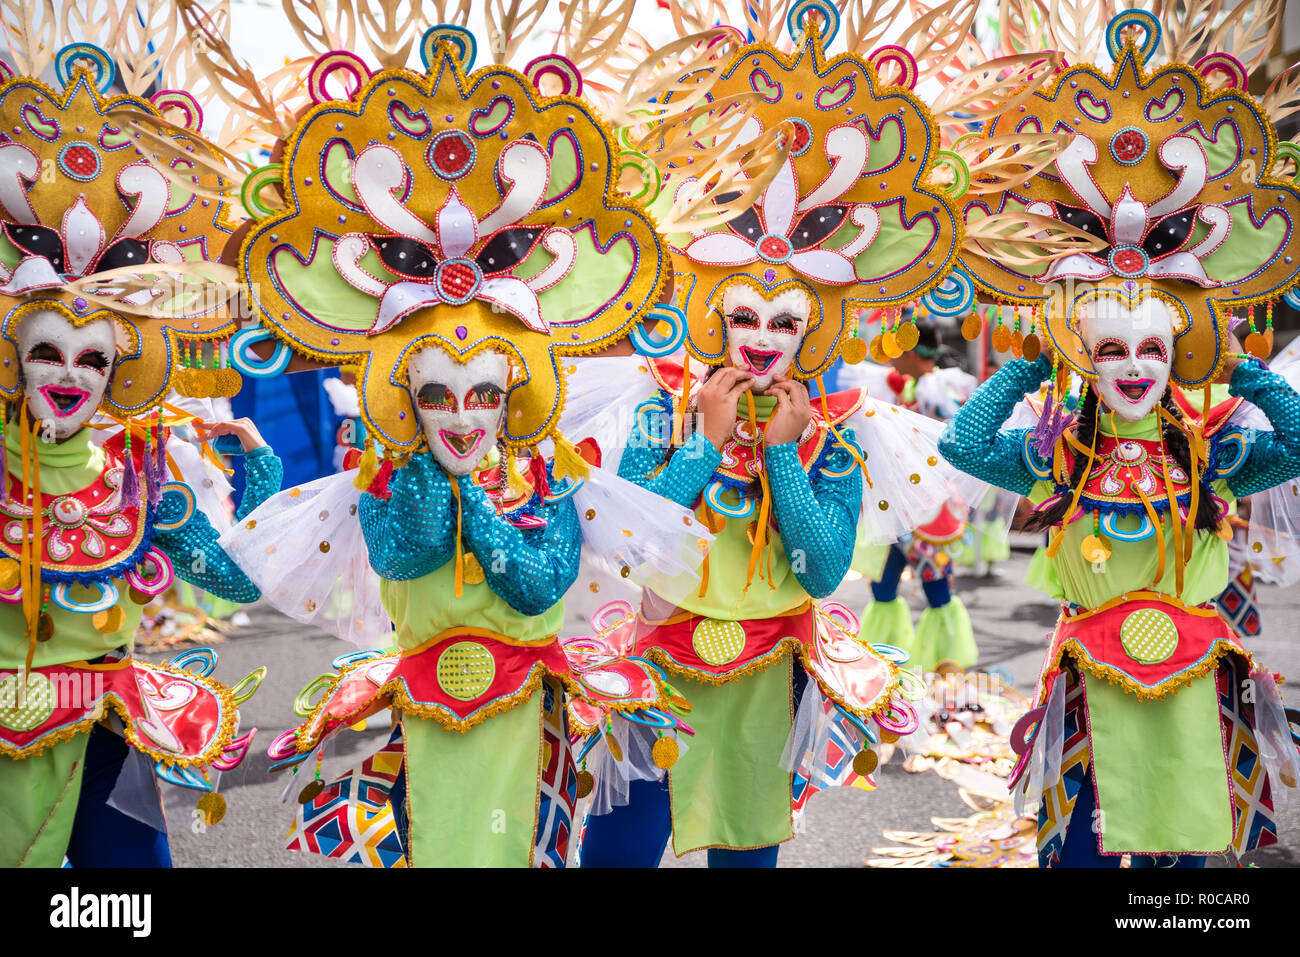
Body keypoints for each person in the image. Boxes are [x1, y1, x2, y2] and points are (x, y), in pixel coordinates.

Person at [225, 27, 706, 868]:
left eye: (485, 394)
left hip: (528, 711)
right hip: (426, 710)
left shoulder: (552, 475)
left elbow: (535, 585)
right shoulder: (385, 480)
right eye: (437, 396)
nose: (463, 417)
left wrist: (476, 491)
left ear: (514, 393)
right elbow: (405, 557)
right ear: (403, 397)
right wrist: (443, 479)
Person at [940, 9, 1300, 865]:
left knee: (1175, 856)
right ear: (1087, 357)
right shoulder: (1060, 451)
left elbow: (1294, 447)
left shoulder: (1208, 445)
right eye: (1110, 349)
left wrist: (1248, 375)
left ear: (1174, 354)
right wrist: (1026, 369)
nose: (1134, 366)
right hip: (1086, 675)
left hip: (1189, 671)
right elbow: (962, 444)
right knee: (1080, 852)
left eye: (1152, 349)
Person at [0, 44, 277, 866]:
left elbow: (237, 578)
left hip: (107, 727)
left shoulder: (138, 475)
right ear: (14, 358)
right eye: (49, 353)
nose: (68, 376)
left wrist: (255, 463)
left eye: (93, 360)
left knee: (119, 910)